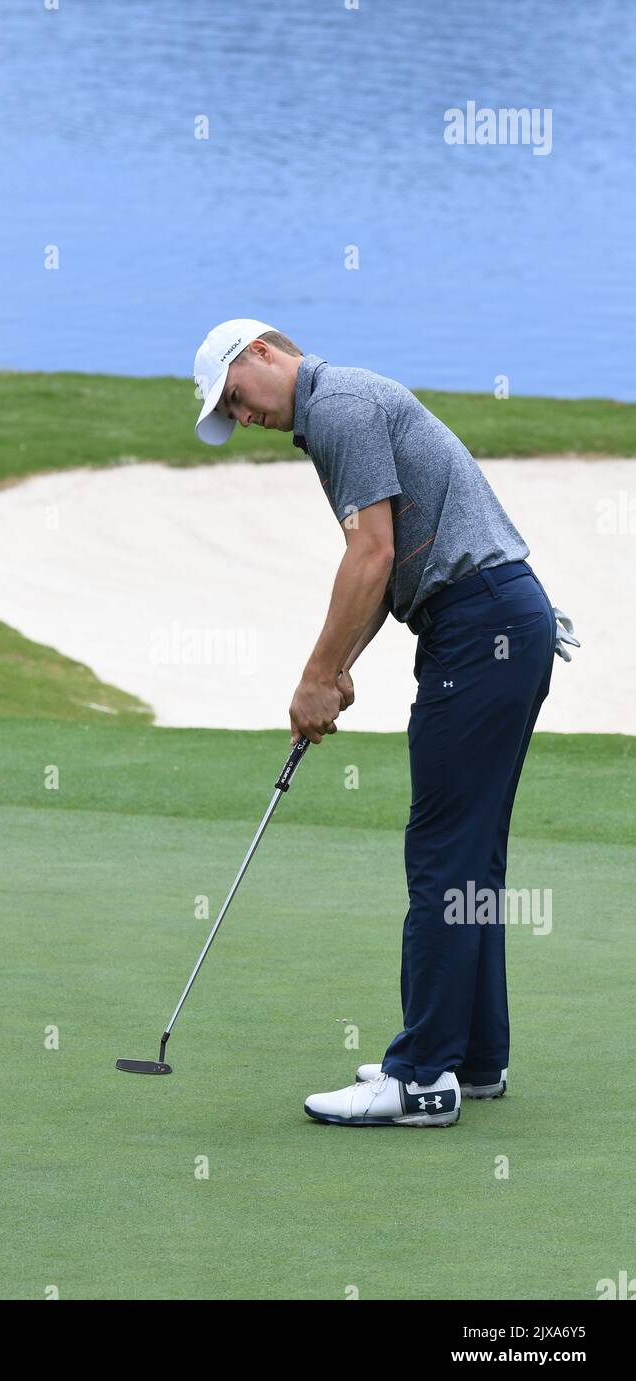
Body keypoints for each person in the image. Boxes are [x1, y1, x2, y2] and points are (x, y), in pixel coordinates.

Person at [192, 318, 578, 1128]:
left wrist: (312, 677)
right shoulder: (344, 405)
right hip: (496, 622)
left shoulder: (339, 407)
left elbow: (369, 554)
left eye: (238, 396)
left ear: (263, 352)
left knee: (442, 853)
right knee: (471, 854)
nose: (246, 416)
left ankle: (421, 1076)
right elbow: (391, 561)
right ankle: (472, 1057)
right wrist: (338, 669)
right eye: (231, 413)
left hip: (481, 629)